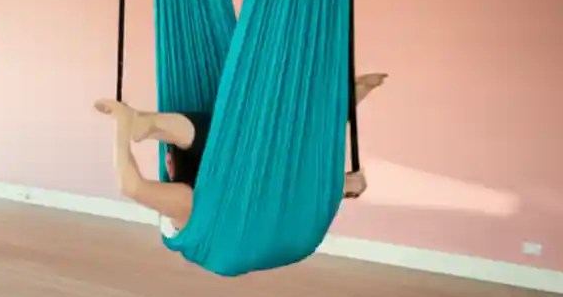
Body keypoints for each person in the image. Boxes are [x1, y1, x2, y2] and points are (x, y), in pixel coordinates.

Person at [94, 73, 388, 230]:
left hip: (237, 162)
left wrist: (125, 123)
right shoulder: (189, 210)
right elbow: (129, 187)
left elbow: (132, 186)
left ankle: (146, 122)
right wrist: (120, 127)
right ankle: (146, 122)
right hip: (246, 183)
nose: (167, 158)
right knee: (284, 159)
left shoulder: (187, 194)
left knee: (232, 141)